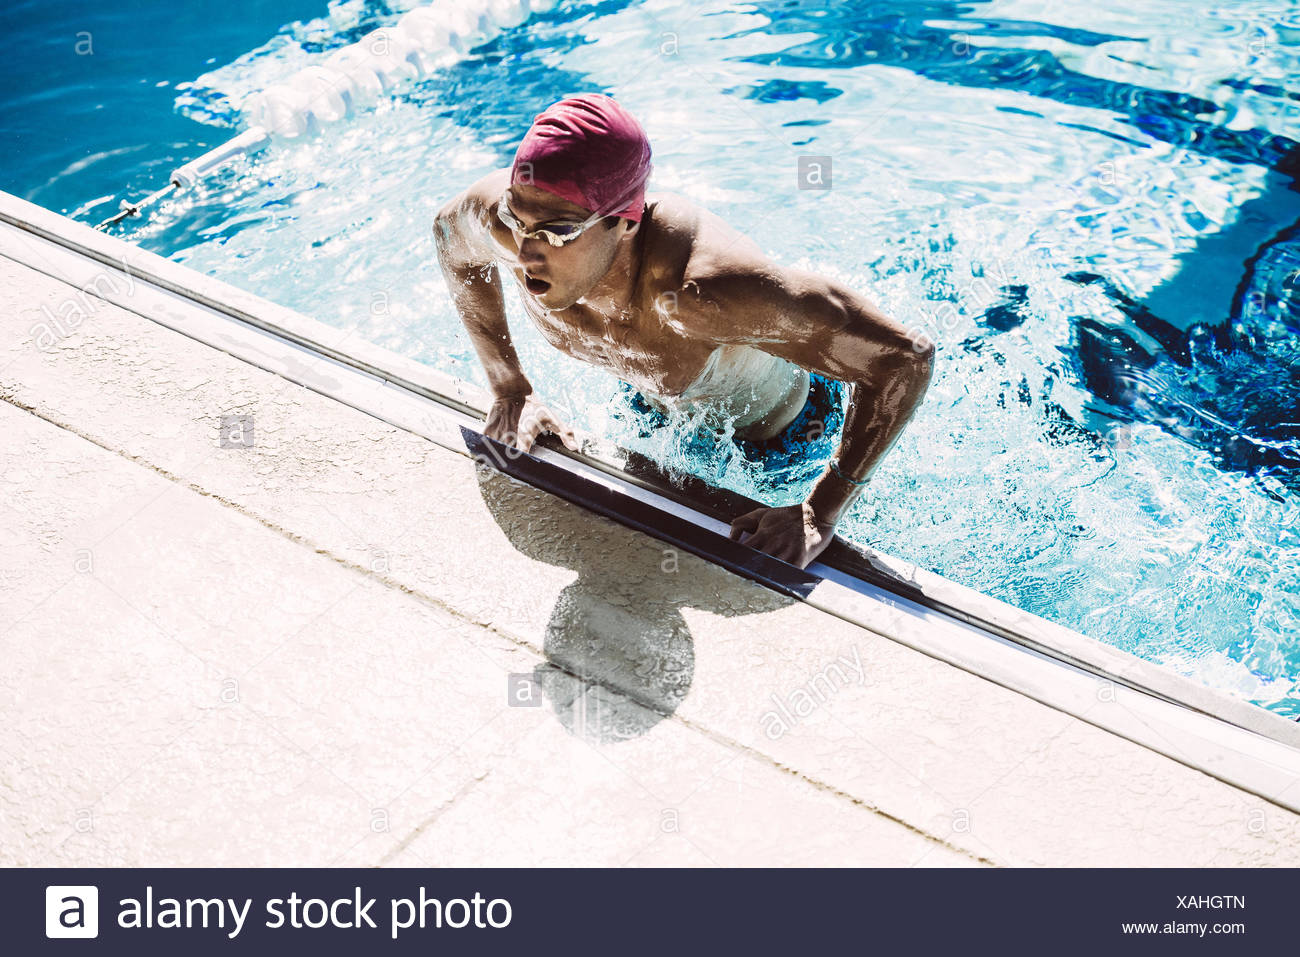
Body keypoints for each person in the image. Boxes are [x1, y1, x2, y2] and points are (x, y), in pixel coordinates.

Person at [434, 92, 934, 570]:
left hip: (789, 443)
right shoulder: (506, 226)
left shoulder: (703, 292)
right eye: (516, 218)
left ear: (625, 223)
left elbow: (903, 359)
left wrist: (819, 512)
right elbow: (448, 236)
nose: (525, 252)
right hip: (656, 410)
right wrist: (510, 389)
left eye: (558, 232)